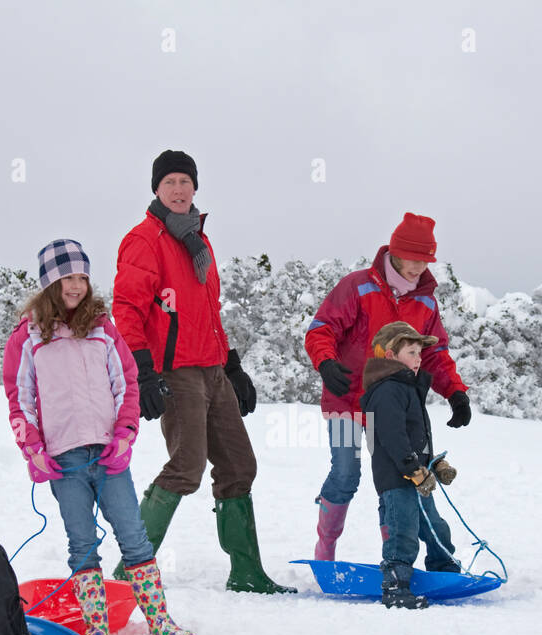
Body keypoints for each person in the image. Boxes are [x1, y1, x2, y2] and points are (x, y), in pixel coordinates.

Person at [111, 149, 294, 594]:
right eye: (169, 182)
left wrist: (232, 367)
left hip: (212, 369)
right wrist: (143, 370)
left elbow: (208, 311)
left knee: (238, 465)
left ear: (195, 188)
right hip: (175, 372)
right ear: (156, 189)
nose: (178, 190)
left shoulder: (199, 240)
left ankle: (246, 572)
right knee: (186, 467)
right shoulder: (144, 240)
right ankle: (130, 571)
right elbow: (127, 308)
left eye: (185, 182)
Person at [3, 240, 195, 635]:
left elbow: (125, 385)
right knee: (82, 544)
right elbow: (20, 400)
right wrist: (34, 450)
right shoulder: (29, 336)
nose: (76, 286)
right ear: (50, 282)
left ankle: (160, 621)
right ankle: (96, 628)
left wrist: (125, 435)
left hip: (109, 455)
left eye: (82, 278)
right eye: (67, 277)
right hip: (63, 458)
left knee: (134, 535)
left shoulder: (103, 329)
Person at [304, 212, 469, 561]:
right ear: (394, 251)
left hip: (392, 405)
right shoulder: (358, 286)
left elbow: (436, 351)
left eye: (425, 260)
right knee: (346, 472)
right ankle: (326, 547)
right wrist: (327, 362)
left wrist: (455, 392)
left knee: (396, 478)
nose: (418, 266)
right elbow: (322, 329)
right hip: (347, 398)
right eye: (412, 258)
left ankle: (394, 557)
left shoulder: (425, 301)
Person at [360, 322, 462, 609]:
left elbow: (417, 438)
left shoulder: (408, 388)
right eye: (412, 352)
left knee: (436, 528)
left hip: (419, 476)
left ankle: (444, 573)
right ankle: (395, 584)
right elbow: (393, 437)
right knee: (402, 531)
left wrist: (434, 464)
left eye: (420, 352)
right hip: (396, 478)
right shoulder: (387, 391)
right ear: (391, 356)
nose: (419, 358)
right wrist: (412, 468)